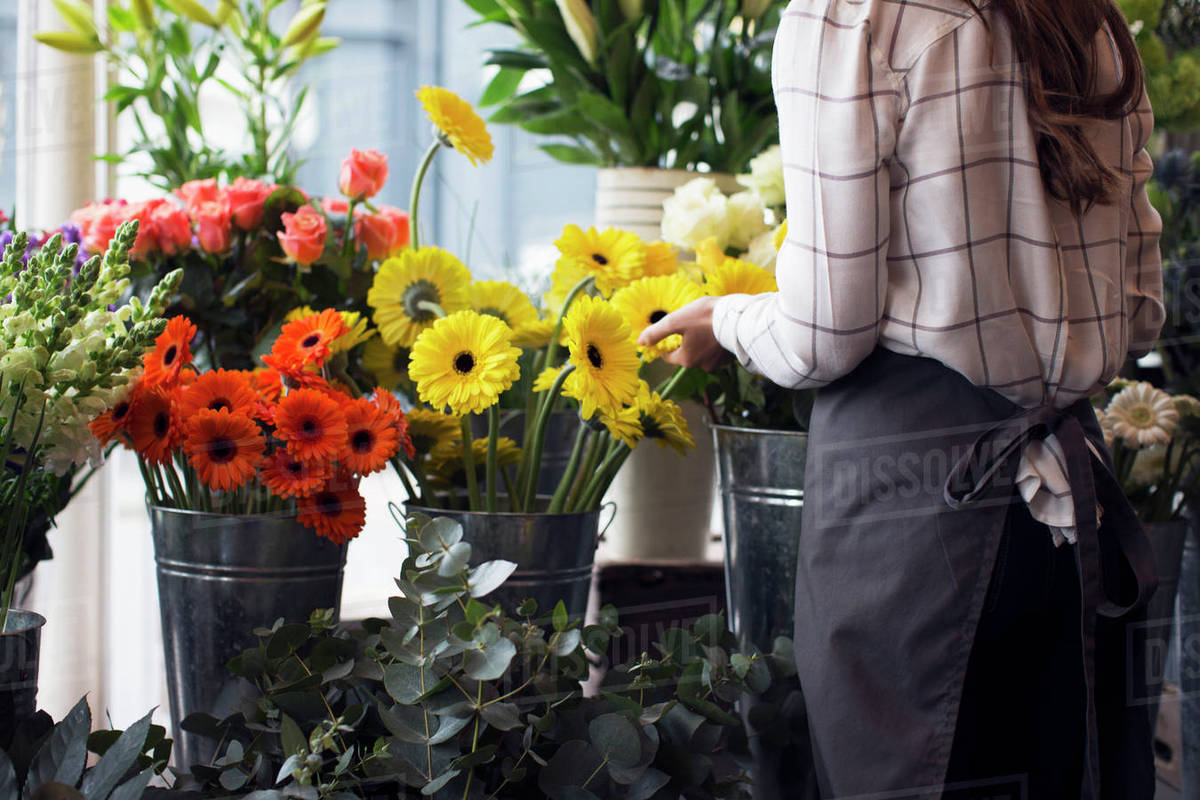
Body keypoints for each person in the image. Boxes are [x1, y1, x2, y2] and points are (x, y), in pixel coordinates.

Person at [638, 0, 1165, 797]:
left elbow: (825, 329)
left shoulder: (853, 15)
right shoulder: (1086, 15)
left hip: (912, 517)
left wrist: (730, 321)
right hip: (1062, 512)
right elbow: (1143, 308)